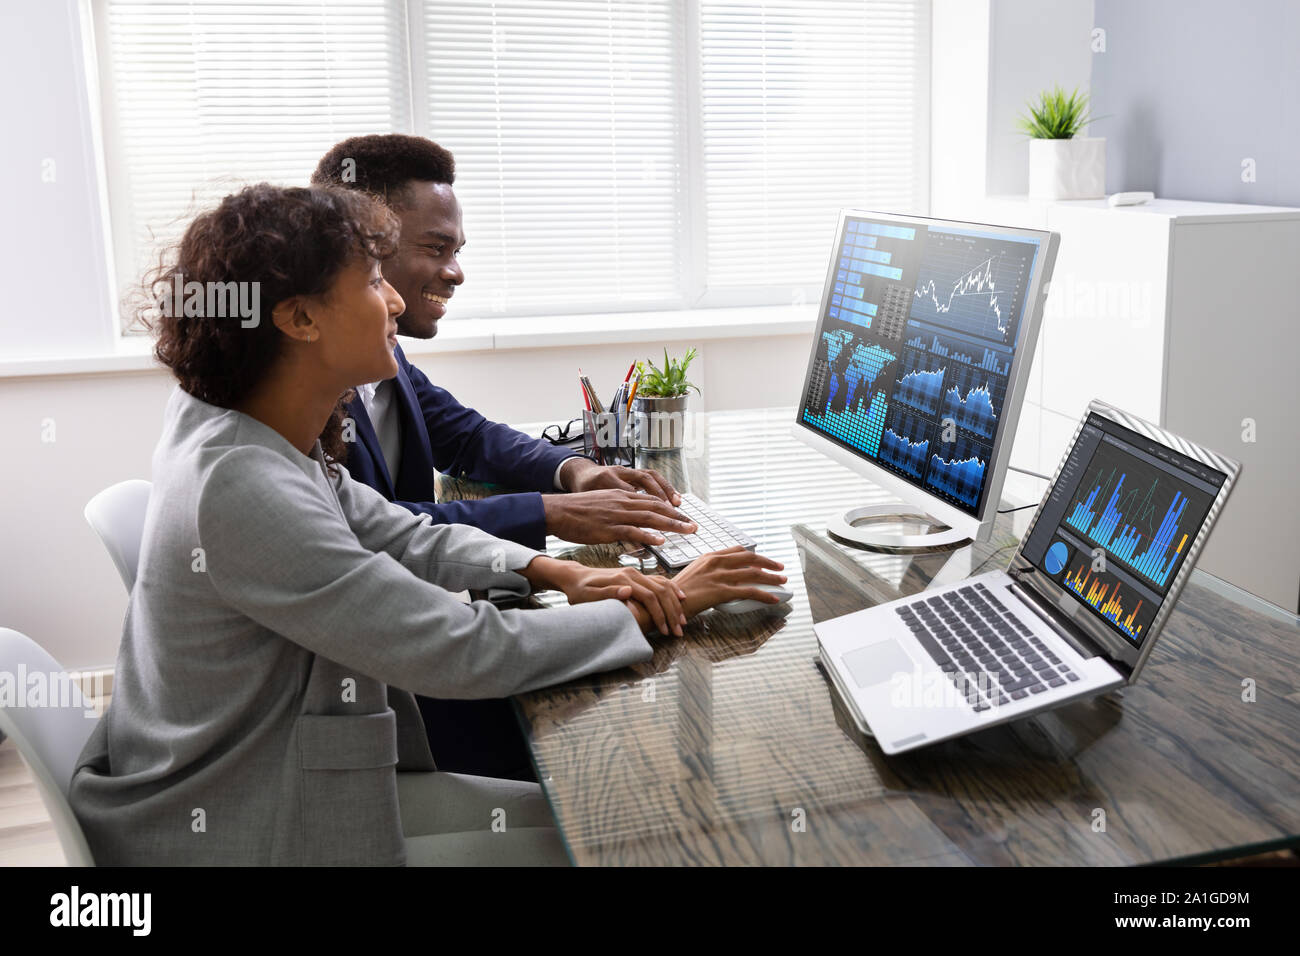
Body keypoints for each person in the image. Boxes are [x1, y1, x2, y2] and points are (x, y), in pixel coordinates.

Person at [68, 183, 787, 866]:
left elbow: (394, 531)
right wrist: (664, 605)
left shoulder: (237, 423)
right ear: (299, 317)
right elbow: (460, 650)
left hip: (260, 771)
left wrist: (551, 569)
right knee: (613, 834)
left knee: (587, 819)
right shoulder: (242, 485)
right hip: (237, 820)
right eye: (373, 281)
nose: (392, 301)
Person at [310, 134, 703, 779]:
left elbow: (457, 434)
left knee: (598, 713)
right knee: (602, 751)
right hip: (379, 701)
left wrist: (572, 472)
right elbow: (385, 535)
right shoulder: (302, 404)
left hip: (402, 652)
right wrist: (557, 526)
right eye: (434, 249)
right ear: (361, 246)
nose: (454, 272)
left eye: (457, 251)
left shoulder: (375, 350)